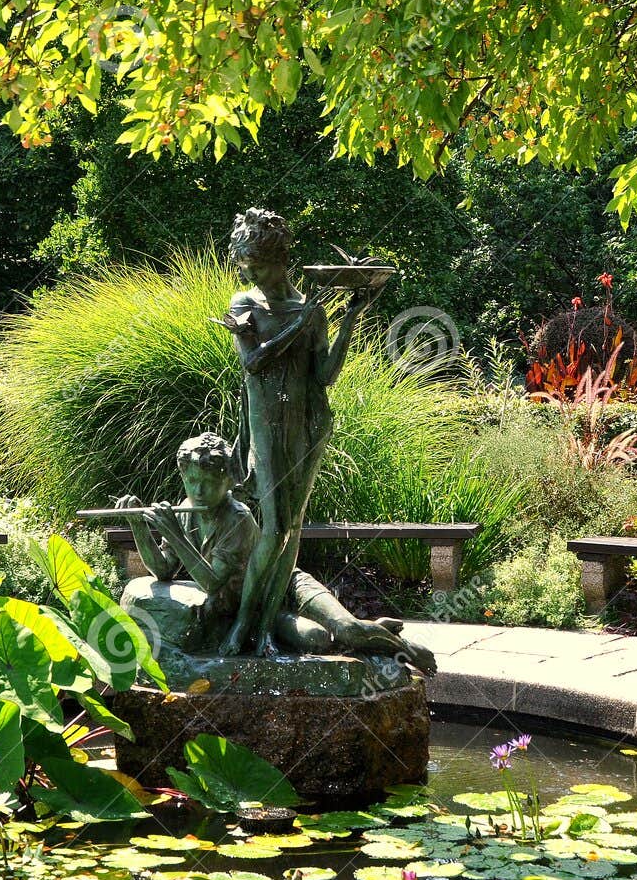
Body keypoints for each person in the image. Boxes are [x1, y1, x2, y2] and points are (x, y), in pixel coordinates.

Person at [118, 433, 436, 673]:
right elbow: (162, 570)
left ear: (228, 481)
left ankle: (403, 648)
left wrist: (174, 534)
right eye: (191, 481)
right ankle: (371, 632)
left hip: (287, 588)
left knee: (346, 630)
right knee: (317, 641)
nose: (198, 491)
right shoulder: (187, 511)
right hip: (258, 611)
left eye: (208, 483)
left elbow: (212, 583)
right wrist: (139, 528)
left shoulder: (237, 518)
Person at [217, 208, 375, 656]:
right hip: (266, 427)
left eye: (259, 264)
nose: (250, 272)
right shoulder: (244, 304)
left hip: (308, 424)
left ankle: (266, 628)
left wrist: (346, 322)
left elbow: (324, 375)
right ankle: (242, 626)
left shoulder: (311, 309)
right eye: (244, 264)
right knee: (274, 528)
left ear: (281, 260)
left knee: (294, 528)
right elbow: (251, 363)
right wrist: (296, 327)